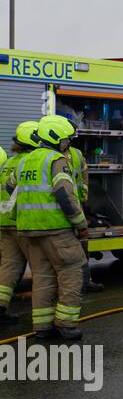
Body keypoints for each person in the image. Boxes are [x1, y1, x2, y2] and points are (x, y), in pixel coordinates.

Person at [12, 115, 89, 340]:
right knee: (72, 273)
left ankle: (43, 327)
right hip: (56, 228)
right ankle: (66, 324)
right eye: (66, 139)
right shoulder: (56, 160)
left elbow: (9, 186)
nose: (67, 143)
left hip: (29, 230)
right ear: (55, 138)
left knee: (43, 277)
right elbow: (64, 195)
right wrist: (80, 224)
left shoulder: (24, 160)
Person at [0, 122, 39, 322]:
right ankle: (44, 316)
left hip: (4, 221)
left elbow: (7, 189)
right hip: (21, 222)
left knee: (8, 266)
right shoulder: (30, 162)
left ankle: (0, 308)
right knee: (40, 267)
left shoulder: (9, 162)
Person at [64, 138, 104, 294]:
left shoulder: (76, 154)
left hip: (76, 205)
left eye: (69, 138)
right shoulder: (51, 157)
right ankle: (67, 286)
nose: (67, 141)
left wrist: (83, 196)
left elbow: (84, 176)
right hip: (60, 209)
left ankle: (85, 281)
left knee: (82, 246)